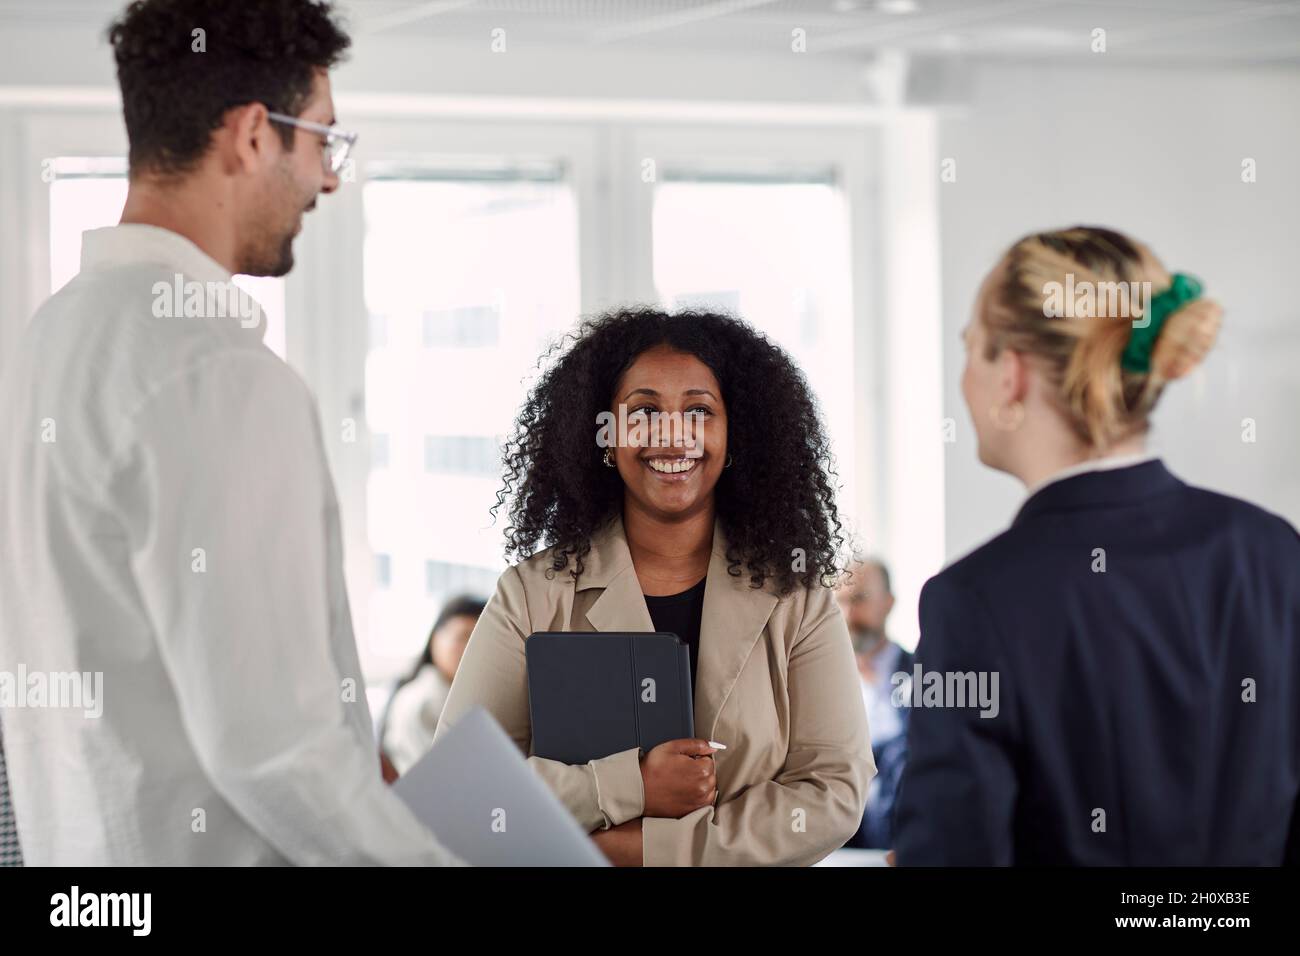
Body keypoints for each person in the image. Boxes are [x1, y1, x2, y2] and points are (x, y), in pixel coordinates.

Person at [0, 0, 460, 865]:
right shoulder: (219, 376)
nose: (328, 179)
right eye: (322, 138)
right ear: (254, 135)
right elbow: (276, 751)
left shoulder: (51, 339)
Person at [894, 225, 1300, 865]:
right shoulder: (1274, 552)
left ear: (1012, 374)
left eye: (971, 346)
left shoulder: (971, 601)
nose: (963, 375)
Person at [436, 307, 874, 866]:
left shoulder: (799, 599)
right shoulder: (531, 594)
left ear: (734, 433)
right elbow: (462, 788)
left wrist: (646, 850)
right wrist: (629, 785)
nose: (672, 434)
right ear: (605, 435)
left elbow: (832, 792)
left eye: (699, 411)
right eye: (643, 412)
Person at [837, 557, 911, 850]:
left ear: (889, 603)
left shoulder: (929, 679)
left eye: (860, 599)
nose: (849, 614)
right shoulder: (811, 686)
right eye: (840, 601)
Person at [381, 595, 486, 775]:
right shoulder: (421, 700)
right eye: (463, 636)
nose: (470, 649)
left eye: (479, 640)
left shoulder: (466, 695)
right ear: (436, 639)